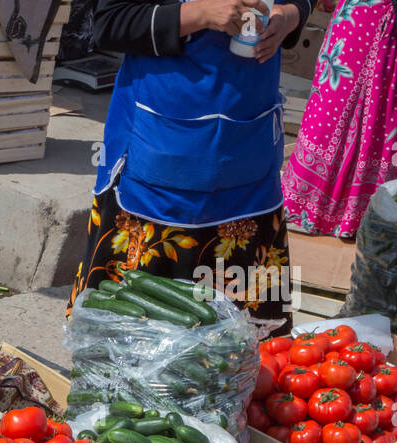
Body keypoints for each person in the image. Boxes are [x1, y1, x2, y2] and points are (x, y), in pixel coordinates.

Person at [70, 0, 316, 334]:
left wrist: (290, 16)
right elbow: (110, 23)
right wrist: (199, 15)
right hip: (158, 159)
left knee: (240, 354)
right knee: (138, 345)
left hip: (248, 156)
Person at [282, 0, 397, 238]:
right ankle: (323, 207)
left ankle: (377, 210)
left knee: (391, 114)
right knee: (337, 106)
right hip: (365, 21)